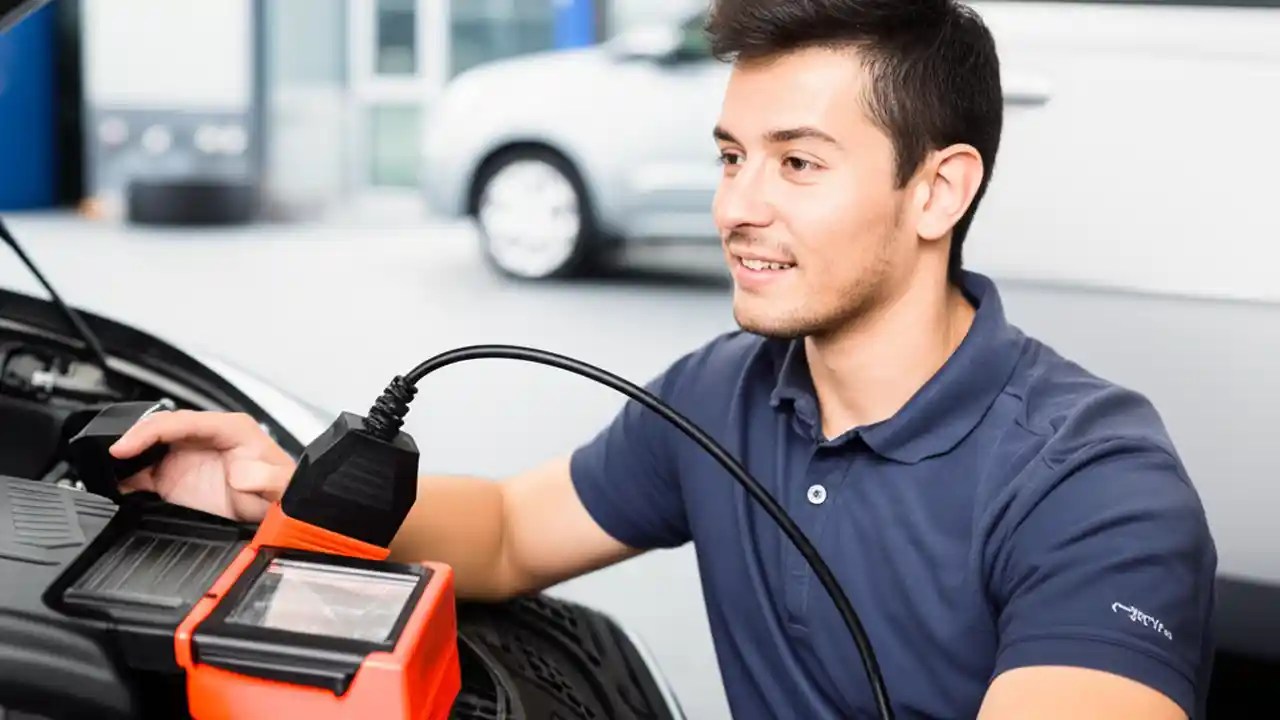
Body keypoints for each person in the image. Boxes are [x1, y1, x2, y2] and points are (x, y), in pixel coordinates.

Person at [107, 0, 1217, 717]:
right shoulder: (722, 395)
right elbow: (508, 531)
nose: (735, 207)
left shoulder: (1094, 482)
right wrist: (284, 488)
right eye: (731, 157)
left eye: (797, 163)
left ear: (937, 191)